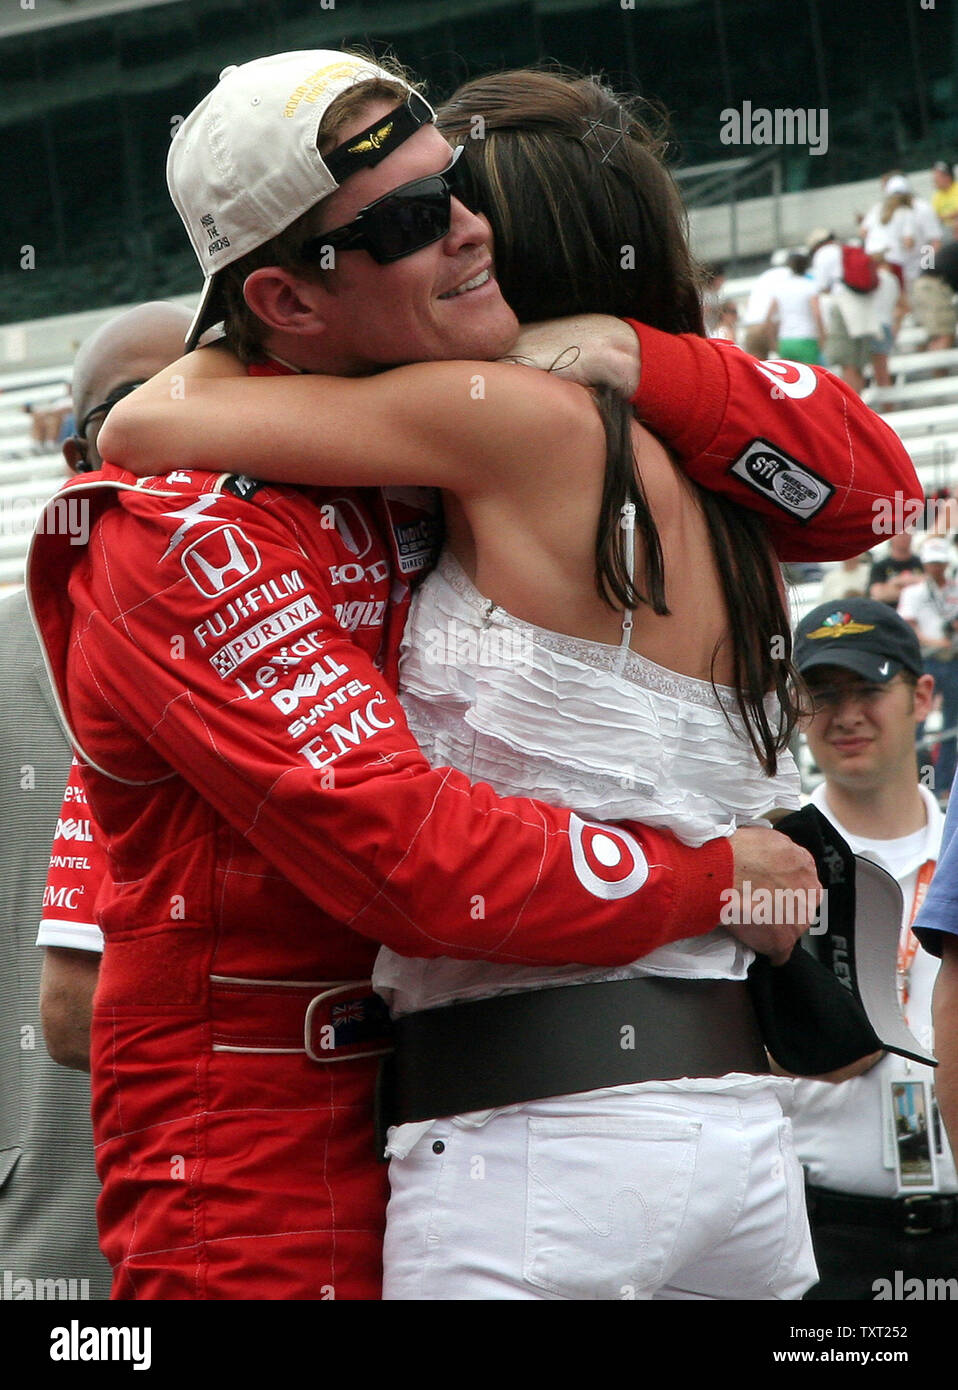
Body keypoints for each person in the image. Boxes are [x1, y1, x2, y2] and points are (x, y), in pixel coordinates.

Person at [31, 49, 845, 1303]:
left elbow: (865, 489)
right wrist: (712, 878)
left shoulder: (456, 456)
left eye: (459, 184)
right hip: (272, 1173)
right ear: (287, 303)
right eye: (413, 218)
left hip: (492, 1131)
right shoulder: (179, 528)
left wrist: (641, 350)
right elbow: (410, 856)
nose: (469, 226)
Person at [0, 304, 193, 1303]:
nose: (175, 427)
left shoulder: (322, 635)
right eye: (136, 410)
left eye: (204, 394)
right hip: (51, 1208)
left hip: (287, 1197)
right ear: (79, 452)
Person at [787, 599, 955, 1299]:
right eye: (822, 694)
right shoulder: (777, 856)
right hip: (820, 1232)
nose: (845, 714)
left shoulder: (955, 850)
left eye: (867, 688)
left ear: (921, 695)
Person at [898, 536, 958, 800]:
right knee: (917, 724)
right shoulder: (914, 592)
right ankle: (916, 784)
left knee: (951, 724)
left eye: (939, 563)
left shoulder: (955, 590)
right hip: (927, 660)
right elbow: (908, 626)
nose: (936, 568)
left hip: (952, 659)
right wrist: (936, 641)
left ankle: (943, 784)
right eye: (931, 564)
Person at [765, 251, 823, 364]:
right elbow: (817, 314)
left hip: (785, 340)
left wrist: (772, 341)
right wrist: (822, 336)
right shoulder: (810, 286)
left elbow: (769, 317)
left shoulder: (780, 288)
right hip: (807, 337)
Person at [869, 531, 923, 607]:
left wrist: (896, 583)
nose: (903, 538)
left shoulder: (922, 562)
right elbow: (878, 594)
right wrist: (915, 584)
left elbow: (931, 584)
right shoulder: (880, 566)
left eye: (906, 534)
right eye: (900, 535)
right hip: (890, 612)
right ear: (891, 537)